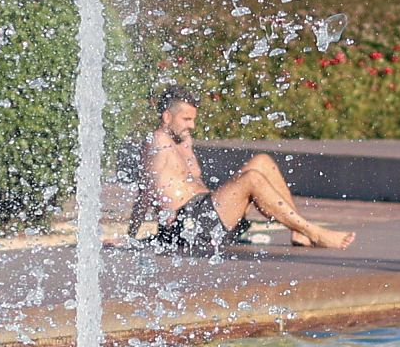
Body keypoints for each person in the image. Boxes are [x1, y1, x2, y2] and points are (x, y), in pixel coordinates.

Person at [129, 86, 356, 251]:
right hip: (188, 226)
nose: (192, 125)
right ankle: (314, 232)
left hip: (207, 215)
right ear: (167, 116)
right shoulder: (156, 143)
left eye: (193, 119)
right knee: (251, 179)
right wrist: (130, 236)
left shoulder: (183, 141)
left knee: (262, 162)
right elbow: (146, 191)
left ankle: (297, 231)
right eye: (186, 119)